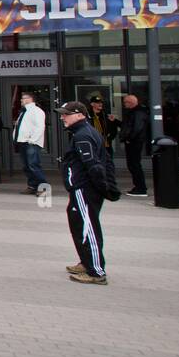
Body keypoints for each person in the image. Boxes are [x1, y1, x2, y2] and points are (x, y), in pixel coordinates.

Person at [57, 101, 119, 285]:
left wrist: (104, 187)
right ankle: (86, 262)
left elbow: (95, 165)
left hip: (85, 189)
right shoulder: (85, 133)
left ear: (79, 115)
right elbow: (106, 161)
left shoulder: (83, 135)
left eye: (66, 114)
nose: (62, 117)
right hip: (82, 189)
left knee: (87, 228)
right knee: (79, 224)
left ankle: (96, 271)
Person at [13, 91, 48, 194]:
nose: (21, 100)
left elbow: (40, 127)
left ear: (30, 99)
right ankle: (32, 186)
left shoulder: (36, 111)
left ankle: (43, 187)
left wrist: (32, 140)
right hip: (23, 142)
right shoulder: (24, 112)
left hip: (31, 143)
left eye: (23, 98)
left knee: (33, 165)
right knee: (27, 166)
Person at [116, 93, 149, 196]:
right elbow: (127, 126)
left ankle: (140, 188)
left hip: (134, 142)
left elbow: (137, 128)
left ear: (131, 103)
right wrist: (116, 121)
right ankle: (139, 186)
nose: (124, 104)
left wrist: (129, 139)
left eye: (125, 102)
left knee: (134, 164)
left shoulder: (138, 113)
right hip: (134, 141)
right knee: (133, 164)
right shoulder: (135, 112)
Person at [85, 95, 118, 159]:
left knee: (108, 163)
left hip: (105, 145)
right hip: (93, 144)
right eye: (98, 103)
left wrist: (109, 138)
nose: (100, 104)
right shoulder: (87, 116)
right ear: (92, 104)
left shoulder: (105, 115)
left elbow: (113, 128)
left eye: (101, 102)